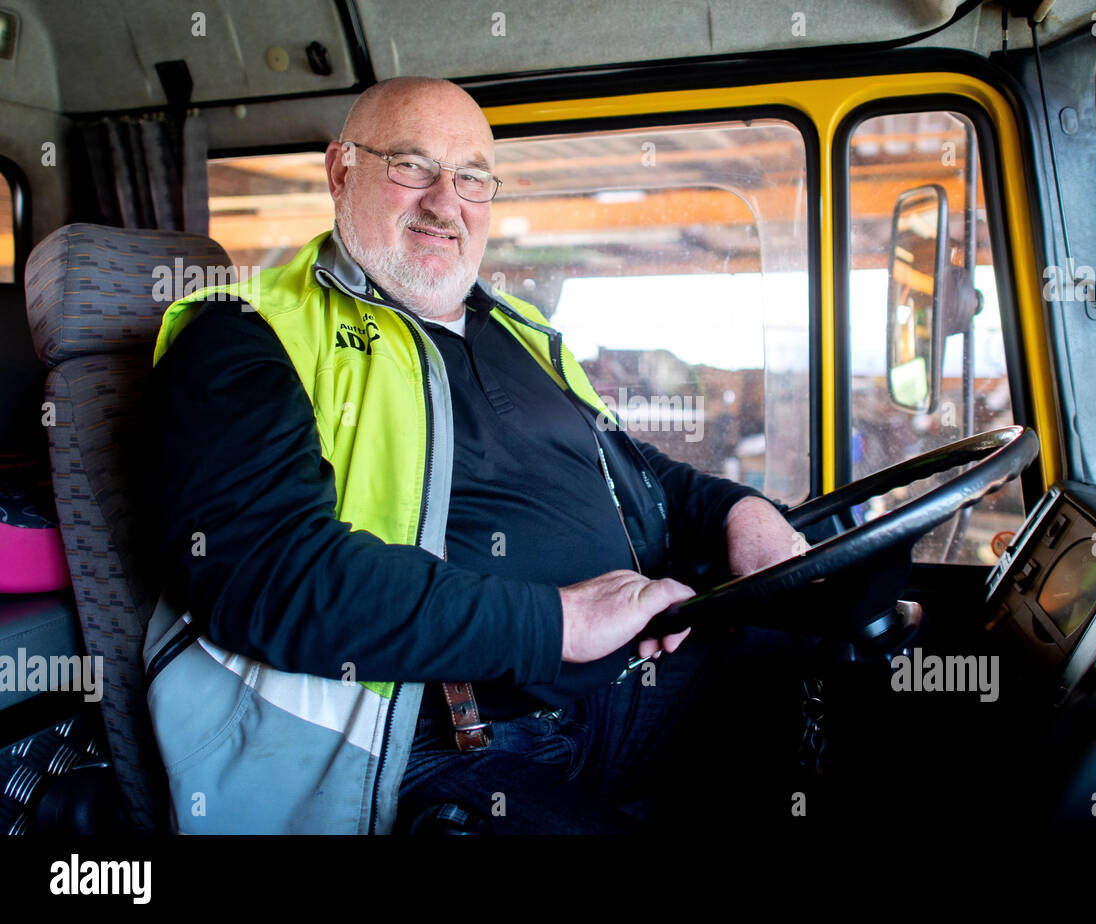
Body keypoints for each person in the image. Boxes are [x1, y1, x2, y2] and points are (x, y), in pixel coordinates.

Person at [137, 77, 806, 834]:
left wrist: (739, 511)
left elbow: (633, 473)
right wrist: (554, 623)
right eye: (412, 166)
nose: (444, 203)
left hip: (619, 685)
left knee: (825, 670)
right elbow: (269, 573)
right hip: (422, 742)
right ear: (340, 171)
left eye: (472, 178)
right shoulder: (247, 335)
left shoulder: (521, 330)